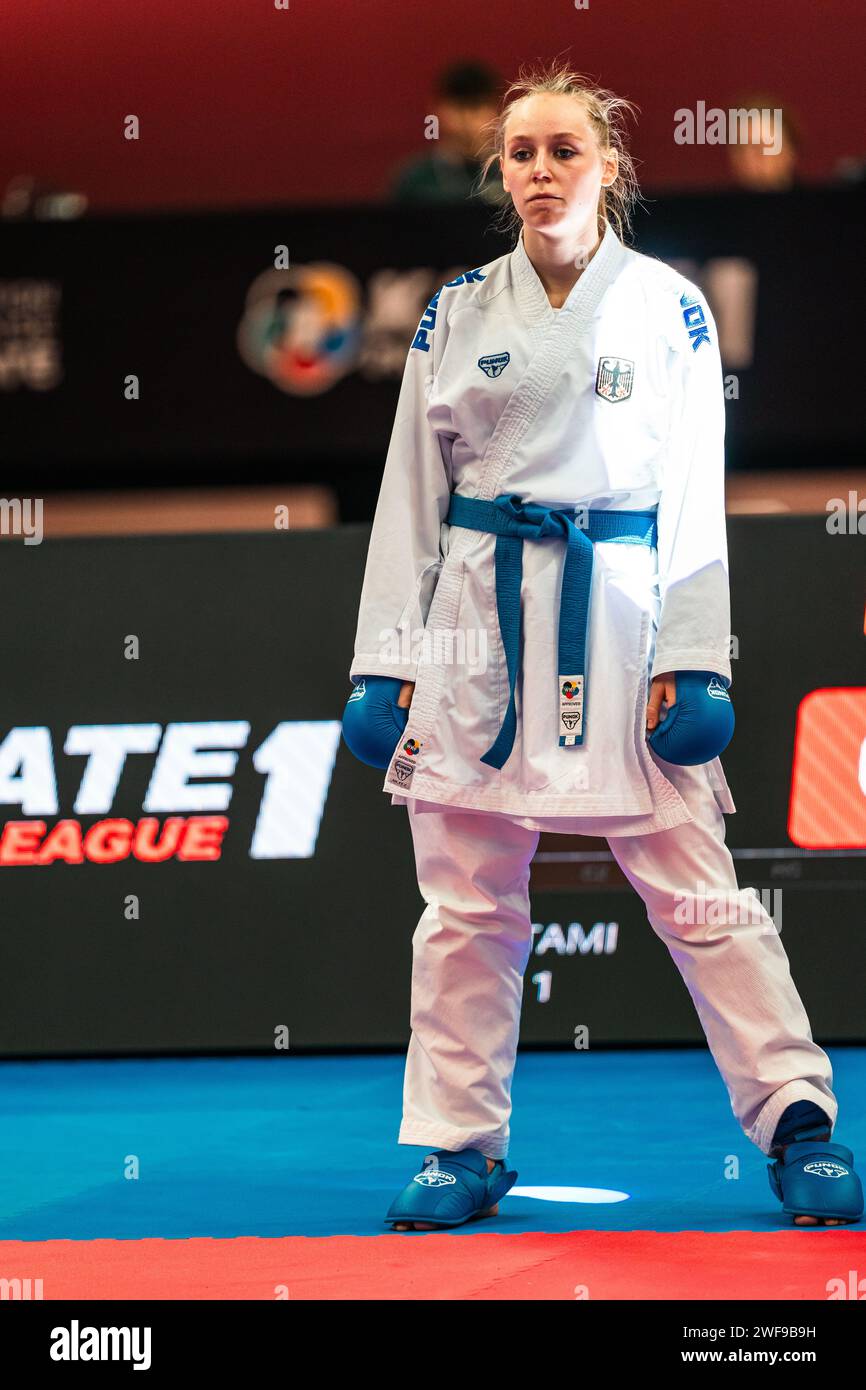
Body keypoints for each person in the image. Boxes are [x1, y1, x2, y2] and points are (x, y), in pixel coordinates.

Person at [344, 62, 863, 1232]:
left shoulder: (665, 307)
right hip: (478, 620)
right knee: (465, 904)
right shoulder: (456, 310)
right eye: (520, 153)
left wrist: (698, 657)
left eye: (562, 150)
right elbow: (408, 501)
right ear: (499, 171)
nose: (538, 170)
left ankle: (796, 1118)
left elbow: (691, 495)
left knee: (697, 889)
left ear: (607, 166)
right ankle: (459, 1143)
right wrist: (386, 658)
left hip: (623, 616)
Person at [390, 60, 507, 206]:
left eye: (477, 106)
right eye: (459, 107)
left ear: (496, 111)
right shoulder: (416, 179)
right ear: (437, 110)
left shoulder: (512, 173)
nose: (467, 119)